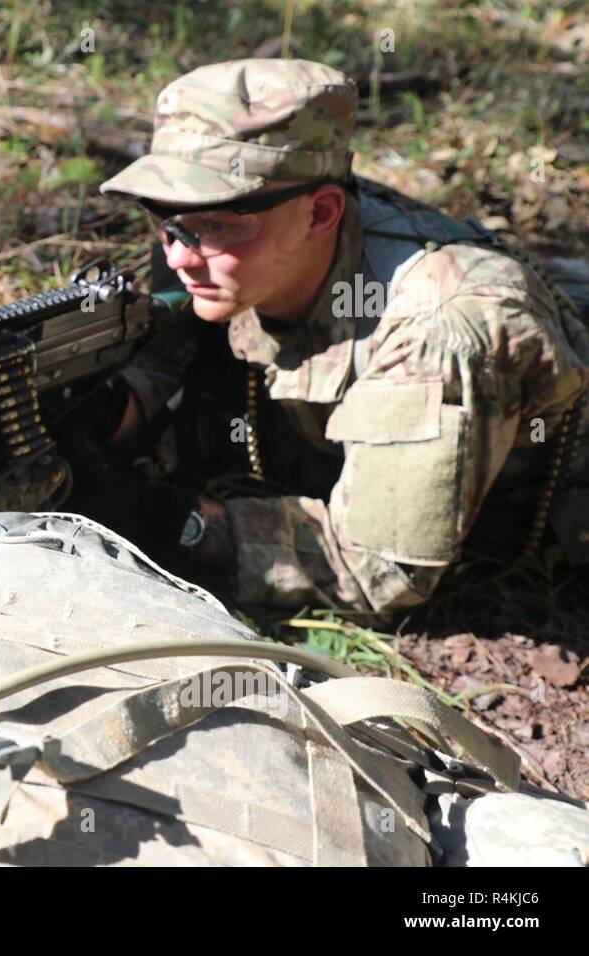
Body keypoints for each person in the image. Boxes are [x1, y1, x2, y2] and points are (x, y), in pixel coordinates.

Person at [63, 58, 589, 612]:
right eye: (165, 216)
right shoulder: (225, 241)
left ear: (321, 212)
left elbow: (377, 569)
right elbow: (176, 364)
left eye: (214, 223)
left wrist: (170, 524)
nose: (177, 254)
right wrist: (106, 413)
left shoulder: (441, 326)